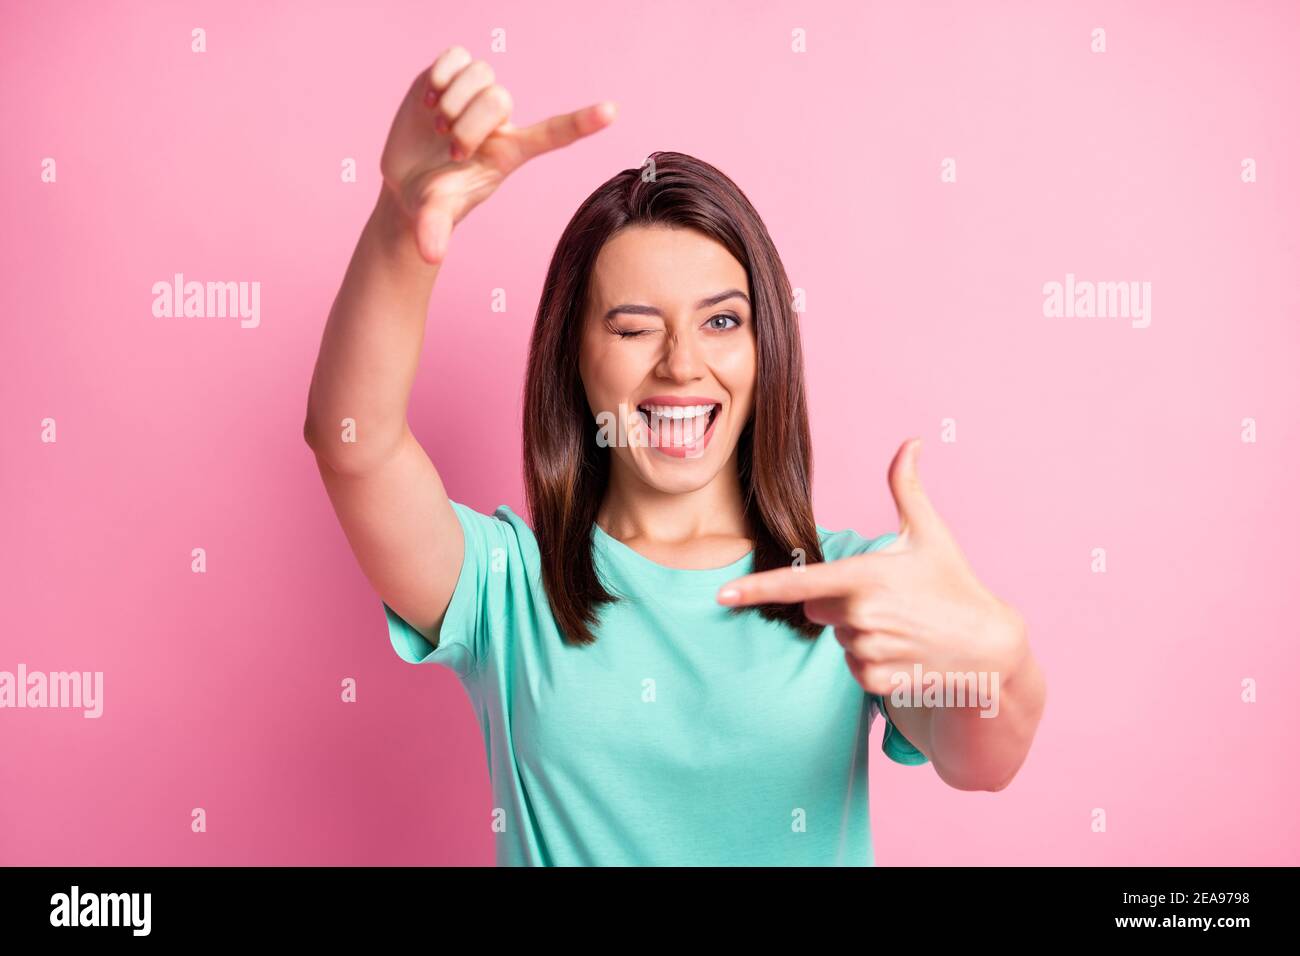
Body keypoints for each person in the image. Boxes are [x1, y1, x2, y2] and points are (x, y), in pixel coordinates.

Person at [304, 45, 1047, 866]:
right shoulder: (504, 584)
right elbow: (355, 444)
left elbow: (985, 760)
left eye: (722, 322)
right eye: (631, 327)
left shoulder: (851, 589)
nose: (682, 364)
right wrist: (400, 219)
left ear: (767, 350)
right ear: (574, 356)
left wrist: (998, 655)